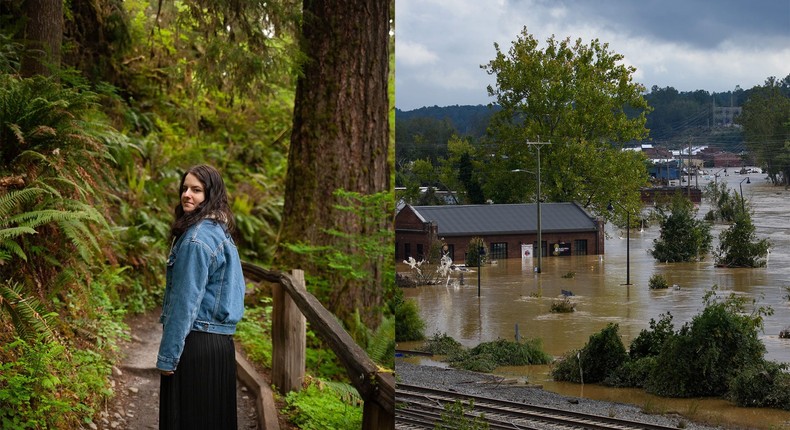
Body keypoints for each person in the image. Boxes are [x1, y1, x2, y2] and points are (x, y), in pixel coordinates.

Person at [157, 164, 246, 429]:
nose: (187, 195)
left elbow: (184, 304)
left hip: (195, 345)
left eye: (196, 190)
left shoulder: (196, 240)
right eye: (185, 188)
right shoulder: (220, 232)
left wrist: (167, 357)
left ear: (212, 194)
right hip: (220, 347)